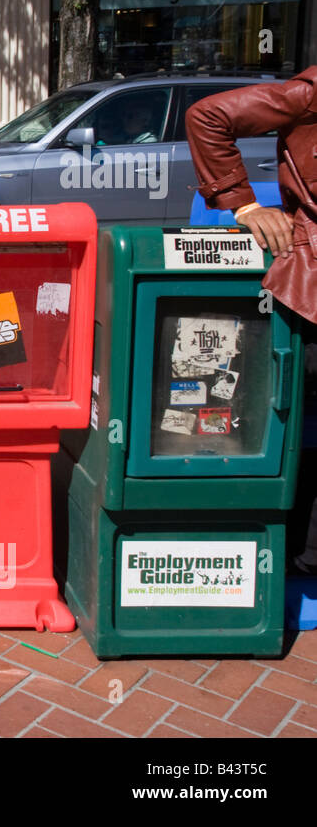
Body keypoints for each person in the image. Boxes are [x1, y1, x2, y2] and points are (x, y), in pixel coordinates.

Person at [186, 68, 317, 573]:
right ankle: (295, 556)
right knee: (283, 417)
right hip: (309, 286)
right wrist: (242, 204)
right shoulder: (309, 94)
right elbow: (209, 116)